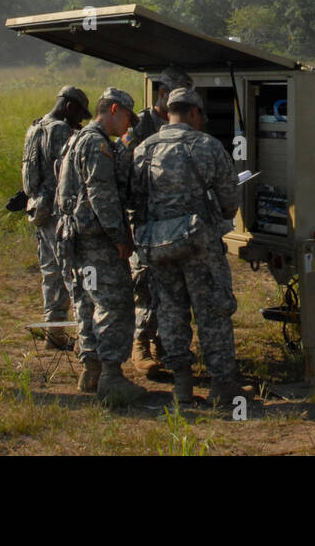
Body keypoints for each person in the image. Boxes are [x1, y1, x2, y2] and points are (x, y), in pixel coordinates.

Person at [130, 87, 244, 405]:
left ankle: (182, 386)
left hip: (158, 247)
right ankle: (222, 387)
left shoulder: (144, 149)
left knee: (170, 312)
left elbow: (134, 201)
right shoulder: (206, 146)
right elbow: (230, 200)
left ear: (167, 113)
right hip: (199, 246)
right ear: (194, 113)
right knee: (213, 313)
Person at [55, 87, 146, 405]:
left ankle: (90, 372)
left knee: (87, 303)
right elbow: (101, 193)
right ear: (114, 109)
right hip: (96, 241)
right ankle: (111, 377)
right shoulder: (97, 144)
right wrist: (120, 237)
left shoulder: (75, 139)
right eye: (128, 118)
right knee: (114, 304)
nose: (129, 126)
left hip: (75, 240)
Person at [120, 66, 193, 377]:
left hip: (178, 223)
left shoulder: (186, 126)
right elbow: (125, 172)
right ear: (163, 94)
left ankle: (166, 344)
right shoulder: (140, 125)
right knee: (146, 284)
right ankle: (141, 344)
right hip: (148, 221)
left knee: (177, 288)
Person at [21, 85, 91, 349]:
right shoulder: (61, 131)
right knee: (72, 272)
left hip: (39, 210)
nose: (80, 122)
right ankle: (85, 337)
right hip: (59, 213)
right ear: (69, 107)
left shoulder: (34, 127)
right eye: (79, 115)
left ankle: (55, 333)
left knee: (50, 272)